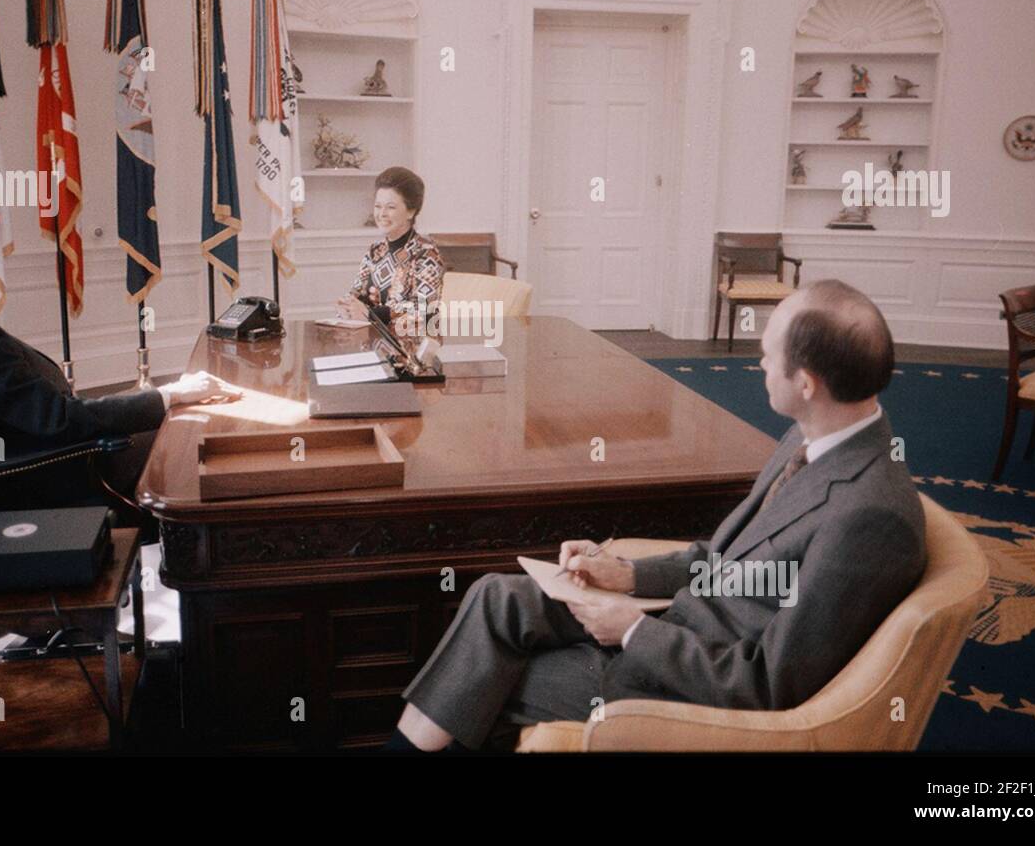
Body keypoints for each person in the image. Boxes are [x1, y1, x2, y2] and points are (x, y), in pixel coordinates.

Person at [388, 279, 927, 751]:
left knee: (481, 678)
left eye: (767, 356)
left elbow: (770, 685)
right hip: (674, 622)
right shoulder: (813, 437)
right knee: (496, 597)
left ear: (806, 384)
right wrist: (626, 574)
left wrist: (634, 632)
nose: (760, 366)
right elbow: (724, 558)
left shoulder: (871, 516)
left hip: (687, 687)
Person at [0, 206, 240, 509]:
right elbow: (57, 420)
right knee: (190, 436)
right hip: (51, 472)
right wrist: (171, 395)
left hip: (25, 448)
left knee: (176, 417)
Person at [336, 166, 444, 333]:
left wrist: (371, 314)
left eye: (390, 207)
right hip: (374, 343)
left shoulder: (425, 253)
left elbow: (425, 309)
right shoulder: (374, 251)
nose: (382, 214)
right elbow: (356, 294)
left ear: (411, 211)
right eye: (378, 206)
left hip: (412, 348)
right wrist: (347, 307)